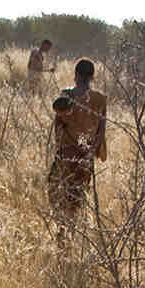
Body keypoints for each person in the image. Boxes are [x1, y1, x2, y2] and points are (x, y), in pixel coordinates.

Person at [47, 94, 93, 227]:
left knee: (75, 198)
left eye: (63, 114)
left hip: (78, 163)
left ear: (70, 110)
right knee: (54, 191)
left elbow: (86, 145)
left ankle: (75, 225)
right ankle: (61, 224)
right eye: (58, 114)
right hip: (62, 160)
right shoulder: (59, 119)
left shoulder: (81, 121)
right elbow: (59, 141)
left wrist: (82, 162)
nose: (61, 117)